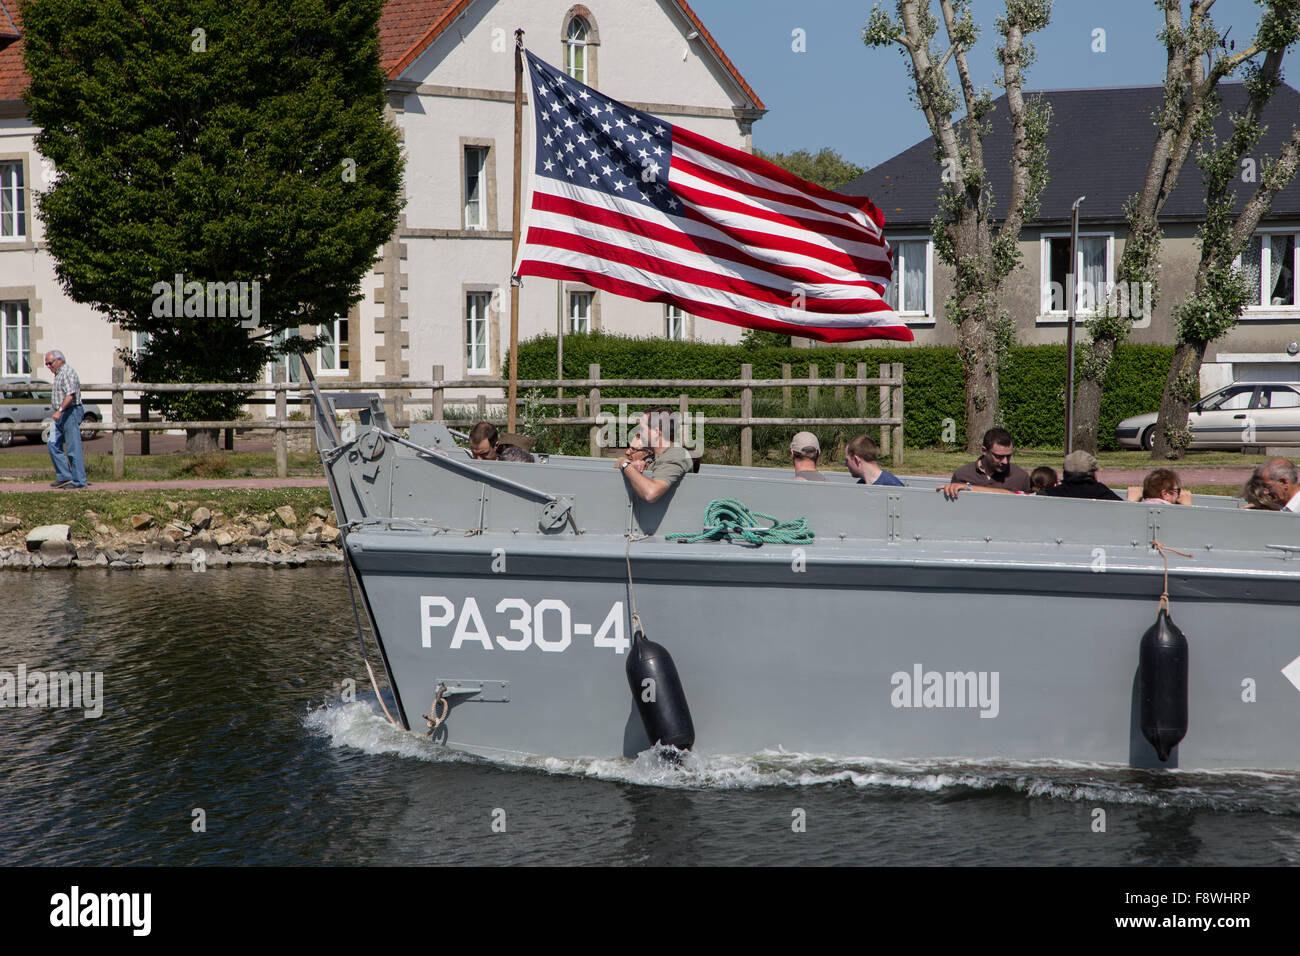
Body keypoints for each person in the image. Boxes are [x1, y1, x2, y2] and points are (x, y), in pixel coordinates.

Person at [616, 406, 691, 503]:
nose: (638, 432)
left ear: (656, 432)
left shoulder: (676, 455)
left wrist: (626, 465)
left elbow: (651, 493)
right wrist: (628, 465)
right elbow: (619, 464)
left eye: (642, 429)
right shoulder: (653, 457)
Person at [941, 427, 1031, 499]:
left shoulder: (1020, 477)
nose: (1005, 461)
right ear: (984, 450)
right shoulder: (962, 475)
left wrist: (969, 488)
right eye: (999, 456)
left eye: (1008, 456)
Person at [44, 350, 87, 489]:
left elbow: (70, 395)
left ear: (59, 360)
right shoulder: (58, 374)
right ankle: (64, 476)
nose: (48, 367)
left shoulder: (67, 372)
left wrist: (60, 411)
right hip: (61, 414)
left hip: (70, 412)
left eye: (50, 363)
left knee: (73, 448)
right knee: (52, 444)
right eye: (46, 364)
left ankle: (79, 481)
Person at [1042, 450, 1121, 500]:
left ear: (1065, 473)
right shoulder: (1100, 492)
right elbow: (1123, 510)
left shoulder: (1051, 494)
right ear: (1091, 474)